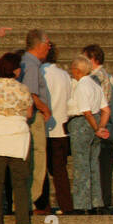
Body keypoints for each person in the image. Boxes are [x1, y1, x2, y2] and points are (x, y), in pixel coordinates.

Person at [0, 53, 34, 224]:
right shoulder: (23, 89)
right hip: (17, 136)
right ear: (15, 70)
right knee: (20, 182)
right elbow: (29, 113)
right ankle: (22, 221)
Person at [66, 55, 110, 215]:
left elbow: (86, 111)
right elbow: (106, 110)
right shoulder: (95, 85)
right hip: (97, 121)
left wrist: (96, 127)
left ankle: (82, 203)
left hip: (82, 124)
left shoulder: (82, 86)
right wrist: (101, 126)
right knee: (93, 164)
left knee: (81, 164)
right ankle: (96, 201)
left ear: (77, 71)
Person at [18, 30, 52, 212]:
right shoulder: (30, 65)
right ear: (40, 44)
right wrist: (45, 108)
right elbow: (30, 94)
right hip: (33, 117)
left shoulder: (28, 63)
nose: (49, 48)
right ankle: (29, 199)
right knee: (38, 159)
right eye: (48, 44)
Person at [83, 44, 113, 211]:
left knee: (98, 167)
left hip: (100, 127)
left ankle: (98, 202)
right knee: (105, 168)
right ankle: (103, 201)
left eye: (85, 58)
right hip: (109, 128)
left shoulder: (96, 78)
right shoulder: (109, 77)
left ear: (93, 59)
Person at [42, 44, 74, 213]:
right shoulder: (64, 75)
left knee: (42, 171)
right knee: (60, 172)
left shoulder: (40, 74)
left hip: (45, 129)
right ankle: (66, 205)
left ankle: (43, 205)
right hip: (62, 129)